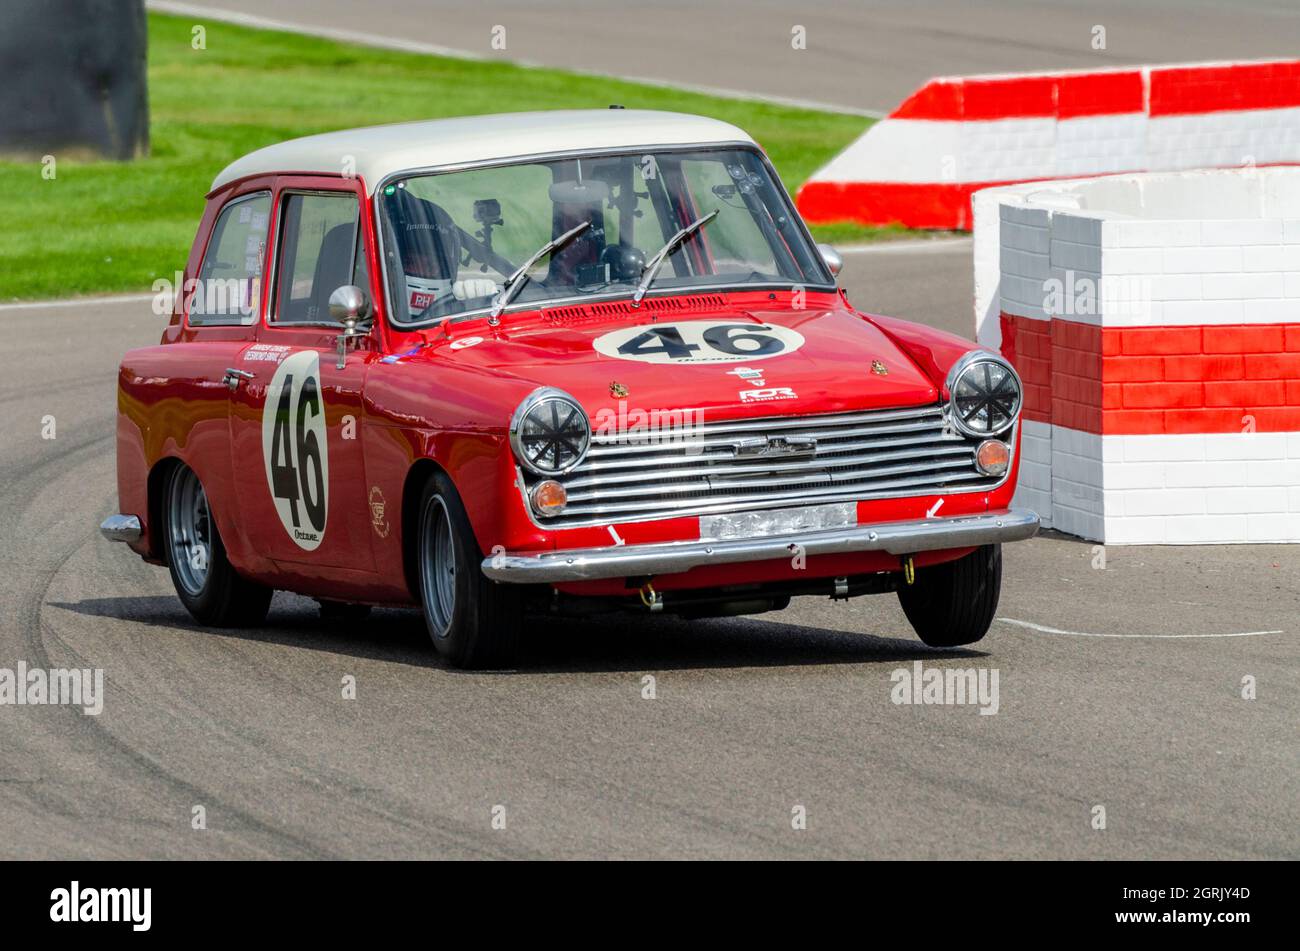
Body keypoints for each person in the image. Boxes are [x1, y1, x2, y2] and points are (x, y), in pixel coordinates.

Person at [385, 188, 498, 316]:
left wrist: (480, 304)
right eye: (412, 263)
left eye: (430, 266)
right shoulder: (370, 311)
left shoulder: (460, 303)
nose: (422, 271)